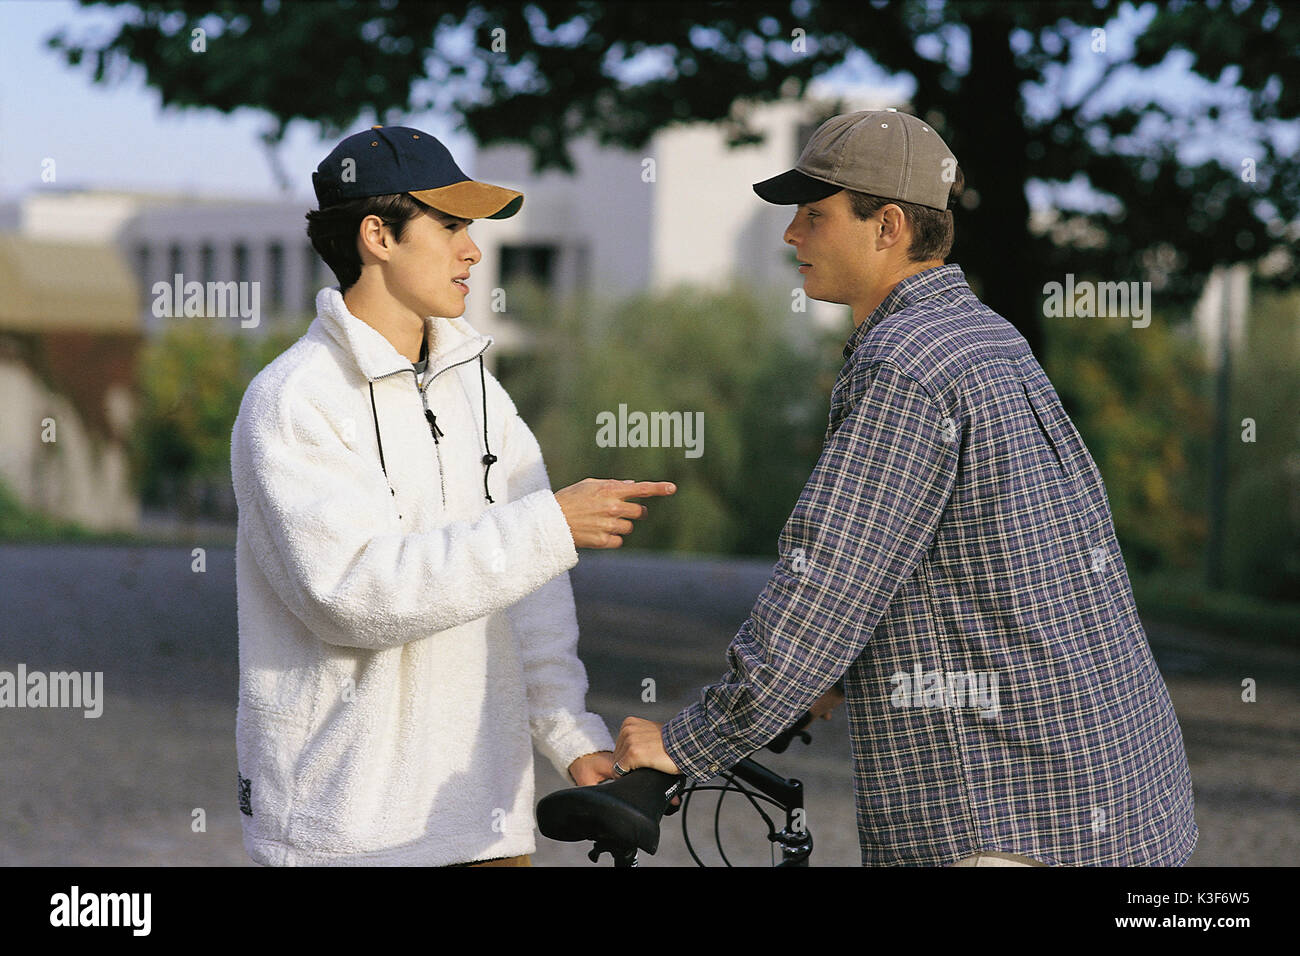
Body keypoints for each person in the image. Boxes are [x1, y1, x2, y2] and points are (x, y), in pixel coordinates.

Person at [613, 109, 1198, 867]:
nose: (791, 235)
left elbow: (826, 585)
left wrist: (688, 741)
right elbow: (993, 558)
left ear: (887, 226)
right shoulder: (985, 335)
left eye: (814, 216)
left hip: (1005, 816)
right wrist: (837, 675)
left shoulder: (904, 364)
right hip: (1115, 791)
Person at [230, 124, 675, 866]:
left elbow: (530, 598)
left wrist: (572, 740)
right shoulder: (290, 401)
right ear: (378, 235)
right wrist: (548, 525)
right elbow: (350, 595)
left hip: (486, 822)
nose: (473, 250)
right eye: (450, 225)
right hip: (349, 835)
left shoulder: (478, 389)